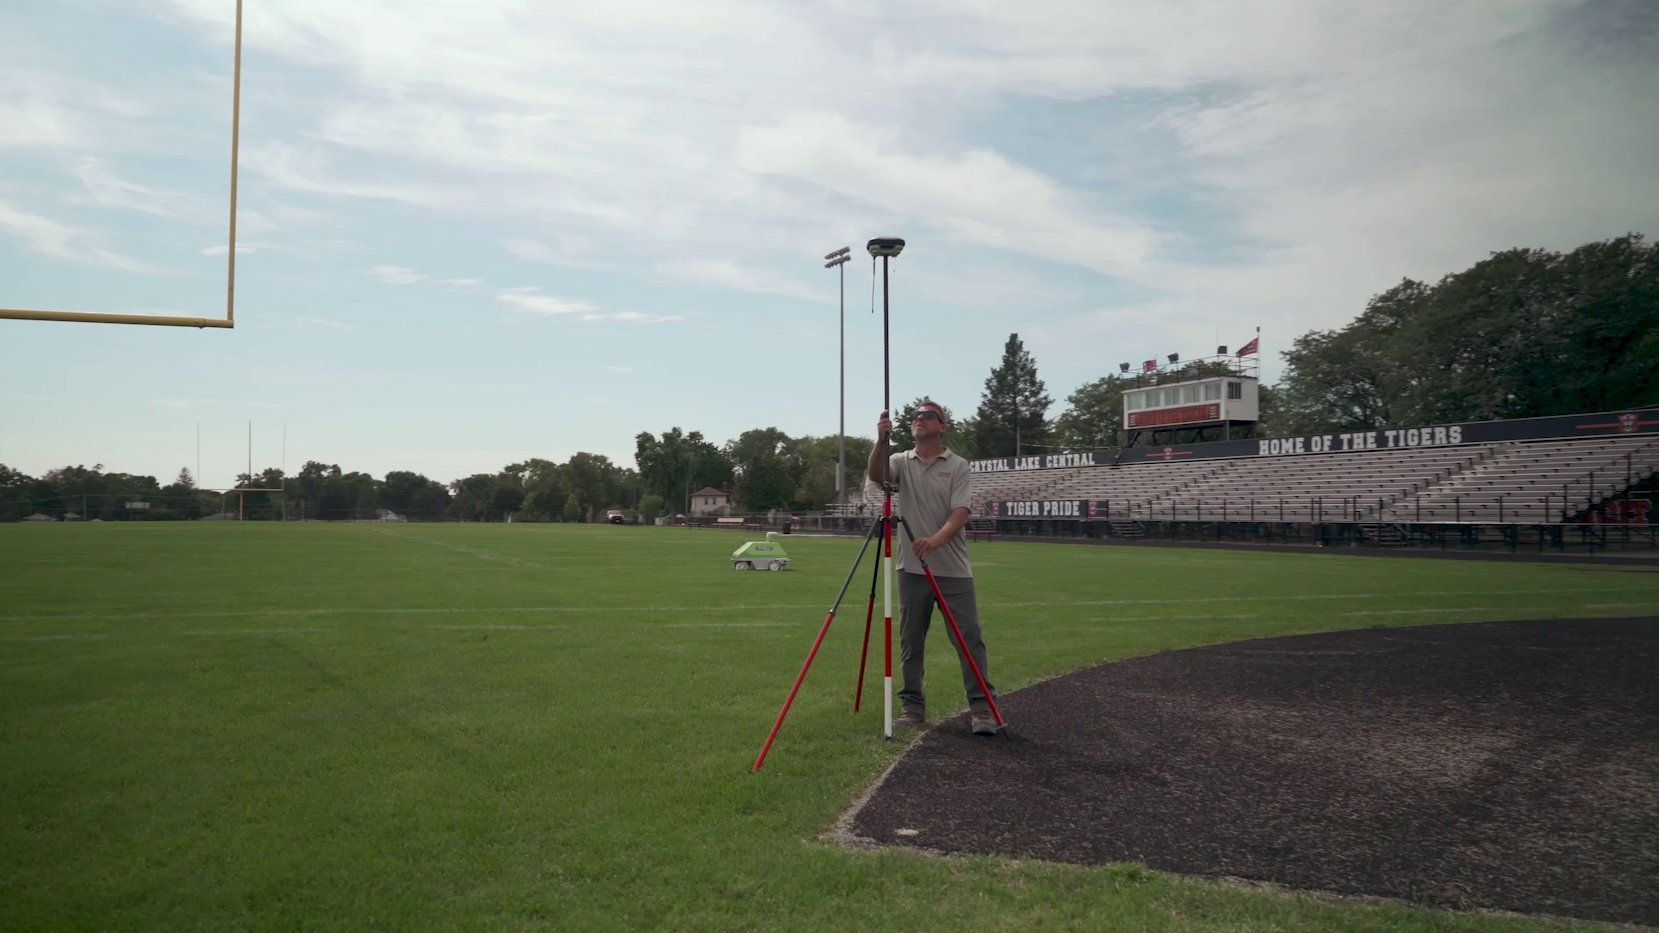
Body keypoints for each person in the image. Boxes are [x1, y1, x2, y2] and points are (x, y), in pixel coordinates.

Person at [868, 401, 1000, 735]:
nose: (919, 419)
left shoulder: (957, 465)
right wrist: (881, 441)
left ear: (942, 426)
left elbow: (961, 511)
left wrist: (936, 540)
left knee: (969, 639)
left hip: (953, 569)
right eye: (915, 416)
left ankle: (982, 708)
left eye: (928, 416)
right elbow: (878, 476)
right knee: (911, 640)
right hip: (911, 568)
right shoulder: (900, 460)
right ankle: (912, 708)